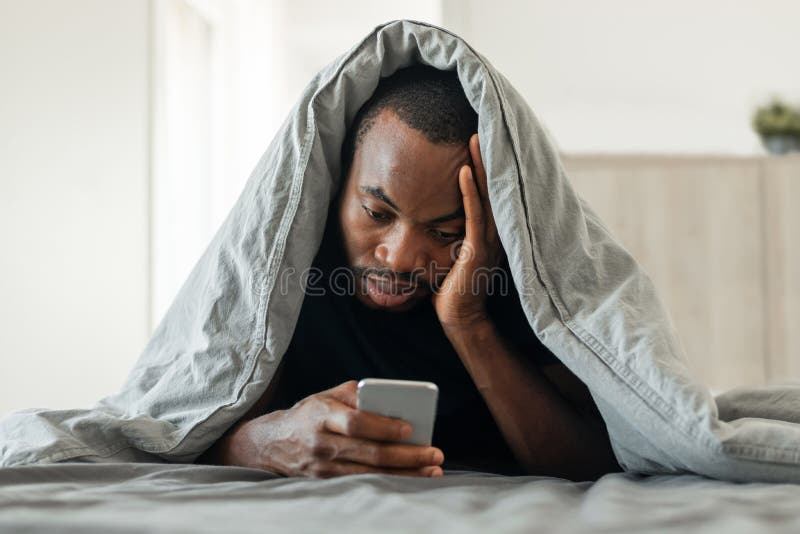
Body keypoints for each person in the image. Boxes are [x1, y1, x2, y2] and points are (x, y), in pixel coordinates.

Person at [197, 66, 620, 480]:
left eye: (444, 231)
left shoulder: (518, 278)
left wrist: (468, 322)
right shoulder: (288, 268)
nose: (399, 258)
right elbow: (187, 435)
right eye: (377, 212)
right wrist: (269, 442)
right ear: (337, 184)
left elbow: (590, 463)